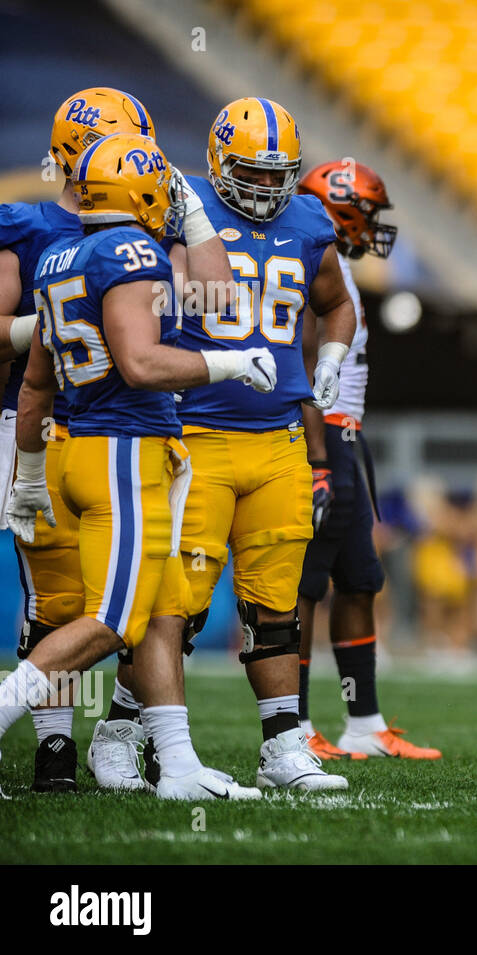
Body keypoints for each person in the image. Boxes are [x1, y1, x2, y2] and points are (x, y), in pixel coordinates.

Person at [0, 133, 272, 799]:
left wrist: (31, 474)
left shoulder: (61, 252)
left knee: (161, 607)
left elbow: (34, 382)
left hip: (79, 444)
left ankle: (177, 765)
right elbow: (143, 364)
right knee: (114, 619)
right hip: (123, 447)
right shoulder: (132, 251)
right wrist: (230, 363)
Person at [123, 97, 357, 792]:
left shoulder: (310, 221)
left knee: (276, 606)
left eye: (276, 174)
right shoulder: (178, 207)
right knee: (174, 605)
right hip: (193, 431)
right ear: (220, 161)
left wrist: (335, 356)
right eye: (250, 172)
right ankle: (139, 737)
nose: (263, 187)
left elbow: (335, 301)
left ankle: (283, 747)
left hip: (280, 437)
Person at [293, 158, 441, 760]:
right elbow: (301, 365)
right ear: (341, 207)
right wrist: (317, 459)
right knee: (303, 587)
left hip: (345, 437)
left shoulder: (336, 267)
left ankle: (363, 723)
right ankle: (293, 727)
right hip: (319, 436)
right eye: (368, 212)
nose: (373, 225)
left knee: (358, 580)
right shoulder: (308, 261)